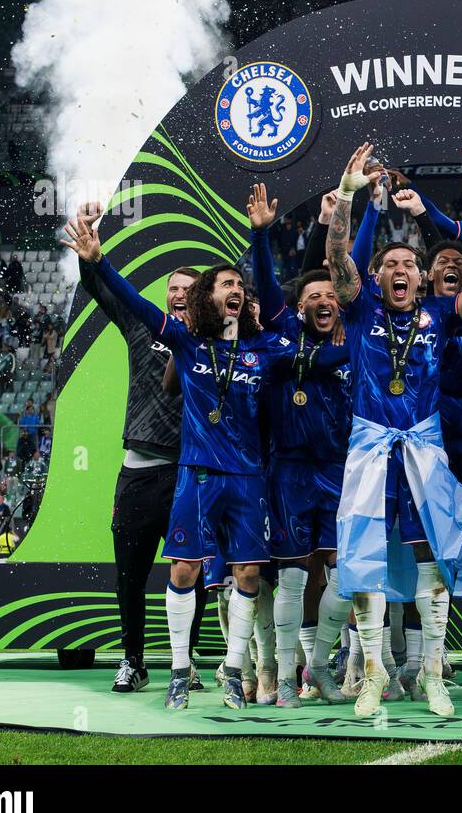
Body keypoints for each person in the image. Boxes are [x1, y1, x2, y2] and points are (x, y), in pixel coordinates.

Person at [61, 211, 298, 712]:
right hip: (195, 475)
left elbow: (278, 312)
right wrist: (98, 262)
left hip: (248, 479)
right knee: (184, 569)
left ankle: (233, 670)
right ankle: (178, 671)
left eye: (239, 283)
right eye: (225, 283)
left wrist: (260, 237)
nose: (234, 289)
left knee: (249, 576)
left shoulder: (264, 349)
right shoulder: (187, 342)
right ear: (206, 298)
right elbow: (133, 306)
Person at [324, 142, 462, 718]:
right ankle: (375, 673)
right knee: (364, 553)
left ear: (422, 278)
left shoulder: (440, 315)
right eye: (389, 266)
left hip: (425, 447)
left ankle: (433, 674)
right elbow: (336, 262)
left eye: (408, 265)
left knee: (433, 551)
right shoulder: (359, 312)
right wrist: (352, 196)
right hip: (370, 442)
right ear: (376, 278)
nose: (399, 271)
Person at [74, 203, 208, 696]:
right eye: (171, 289)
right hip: (138, 471)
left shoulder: (211, 343)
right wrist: (90, 256)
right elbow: (101, 290)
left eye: (185, 290)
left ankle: (184, 662)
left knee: (187, 571)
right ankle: (133, 661)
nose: (176, 295)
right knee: (129, 577)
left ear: (199, 299)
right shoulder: (141, 328)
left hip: (187, 472)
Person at [247, 183, 366, 709]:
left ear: (340, 305)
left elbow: (351, 266)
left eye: (329, 296)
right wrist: (261, 234)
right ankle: (288, 678)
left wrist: (357, 209)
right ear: (298, 310)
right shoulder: (279, 340)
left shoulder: (354, 341)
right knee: (294, 579)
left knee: (345, 576)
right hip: (289, 474)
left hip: (340, 472)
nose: (322, 301)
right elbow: (269, 288)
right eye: (311, 297)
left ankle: (319, 667)